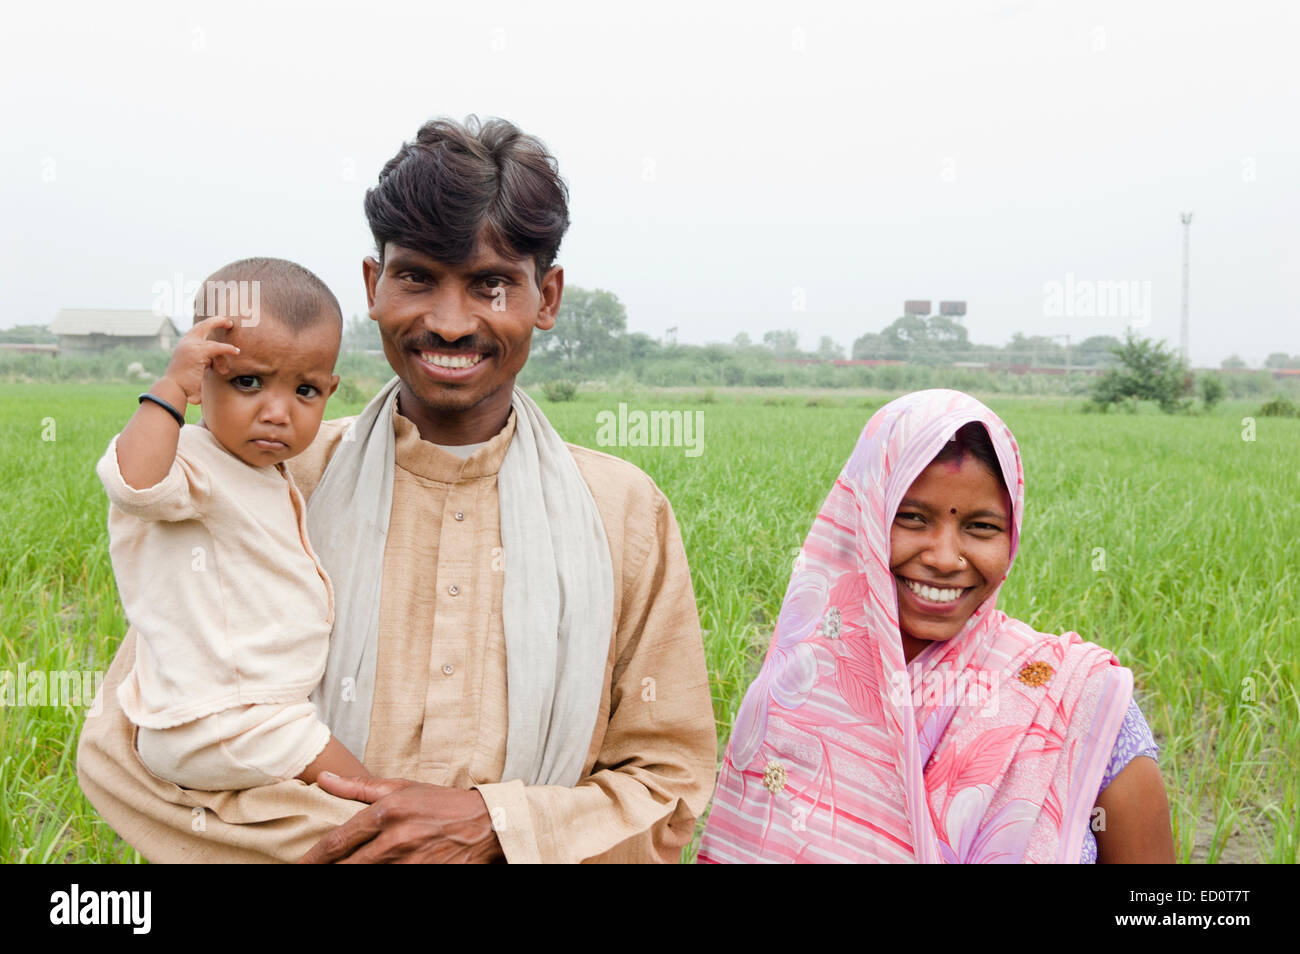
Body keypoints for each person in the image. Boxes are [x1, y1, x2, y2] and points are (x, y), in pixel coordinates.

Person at [77, 115, 717, 864]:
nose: (448, 323)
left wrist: (499, 829)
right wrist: (362, 848)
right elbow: (129, 748)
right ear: (374, 287)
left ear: (546, 297)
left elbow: (667, 785)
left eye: (490, 284)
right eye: (417, 277)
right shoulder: (259, 479)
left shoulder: (622, 512)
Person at [698, 389, 1174, 863]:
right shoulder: (792, 698)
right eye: (911, 518)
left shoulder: (1078, 703)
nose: (945, 558)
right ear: (863, 519)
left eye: (982, 527)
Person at [94, 258, 370, 791]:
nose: (277, 411)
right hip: (226, 722)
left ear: (330, 391)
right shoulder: (192, 460)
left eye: (305, 391)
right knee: (369, 801)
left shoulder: (265, 471)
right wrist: (170, 389)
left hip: (243, 715)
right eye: (249, 382)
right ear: (202, 379)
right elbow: (133, 483)